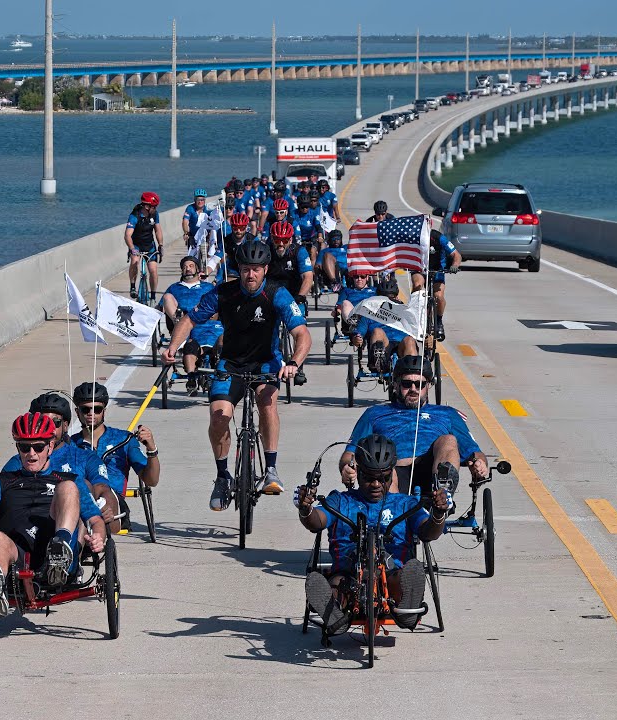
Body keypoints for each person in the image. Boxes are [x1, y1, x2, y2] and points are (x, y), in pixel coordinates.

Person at [161, 240, 311, 510]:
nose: (250, 275)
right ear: (238, 270)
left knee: (267, 402)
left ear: (265, 269)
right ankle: (222, 476)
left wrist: (294, 363)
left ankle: (272, 469)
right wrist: (173, 346)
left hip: (265, 363)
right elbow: (189, 320)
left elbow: (302, 334)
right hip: (230, 364)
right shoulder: (223, 293)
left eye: (255, 269)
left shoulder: (278, 294)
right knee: (219, 416)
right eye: (244, 269)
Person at [295, 433, 450, 631]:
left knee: (405, 574)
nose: (376, 484)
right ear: (357, 472)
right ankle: (335, 614)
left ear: (392, 473)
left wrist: (438, 513)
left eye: (383, 478)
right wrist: (305, 509)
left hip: (392, 573)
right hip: (348, 574)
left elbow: (428, 533)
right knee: (336, 582)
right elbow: (316, 522)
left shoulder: (406, 504)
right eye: (369, 478)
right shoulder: (340, 501)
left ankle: (407, 610)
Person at [0, 413, 108, 617]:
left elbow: (95, 520)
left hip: (54, 550)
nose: (31, 454)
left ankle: (60, 550)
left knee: (68, 487)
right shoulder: (2, 481)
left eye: (38, 447)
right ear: (17, 449)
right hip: (17, 556)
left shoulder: (68, 479)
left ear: (50, 446)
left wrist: (98, 537)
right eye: (24, 447)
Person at [340, 355, 489, 497]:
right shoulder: (375, 413)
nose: (413, 389)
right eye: (406, 384)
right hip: (392, 473)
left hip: (432, 472)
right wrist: (347, 467)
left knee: (448, 440)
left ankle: (444, 494)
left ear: (428, 386)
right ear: (396, 385)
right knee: (384, 468)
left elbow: (474, 452)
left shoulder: (447, 414)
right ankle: (393, 509)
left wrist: (480, 464)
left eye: (419, 384)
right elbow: (350, 453)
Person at [69, 382, 160, 534]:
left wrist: (151, 448)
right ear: (77, 412)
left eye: (97, 409)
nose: (91, 414)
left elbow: (151, 480)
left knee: (102, 494)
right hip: (81, 499)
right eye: (86, 409)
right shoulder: (70, 444)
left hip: (112, 501)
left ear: (104, 411)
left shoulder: (123, 440)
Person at [161, 256, 225, 393]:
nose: (187, 268)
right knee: (167, 298)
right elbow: (161, 306)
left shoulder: (208, 287)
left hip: (207, 321)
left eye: (191, 266)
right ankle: (181, 328)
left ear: (197, 269)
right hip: (182, 320)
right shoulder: (174, 288)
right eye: (185, 267)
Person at [125, 191, 163, 300]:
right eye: (153, 206)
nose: (155, 208)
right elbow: (127, 235)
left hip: (149, 245)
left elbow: (158, 231)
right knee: (134, 261)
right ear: (146, 206)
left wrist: (160, 245)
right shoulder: (134, 216)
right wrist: (132, 249)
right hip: (136, 245)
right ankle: (133, 287)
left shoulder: (155, 214)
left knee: (153, 270)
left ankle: (153, 296)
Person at [182, 189, 208, 257]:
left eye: (202, 200)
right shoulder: (190, 208)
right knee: (192, 258)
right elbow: (185, 221)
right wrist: (186, 233)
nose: (200, 202)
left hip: (205, 236)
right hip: (193, 235)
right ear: (194, 200)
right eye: (198, 199)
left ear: (205, 200)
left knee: (206, 257)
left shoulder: (207, 209)